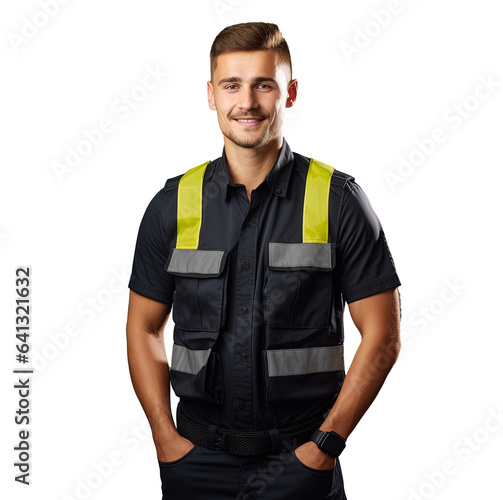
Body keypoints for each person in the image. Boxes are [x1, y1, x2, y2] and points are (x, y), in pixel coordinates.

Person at [125, 22, 401, 499]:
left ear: (289, 93)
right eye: (231, 85)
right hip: (195, 462)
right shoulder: (172, 204)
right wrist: (163, 438)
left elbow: (383, 334)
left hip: (301, 464)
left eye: (264, 85)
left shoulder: (339, 200)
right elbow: (143, 327)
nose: (247, 102)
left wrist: (325, 446)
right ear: (211, 95)